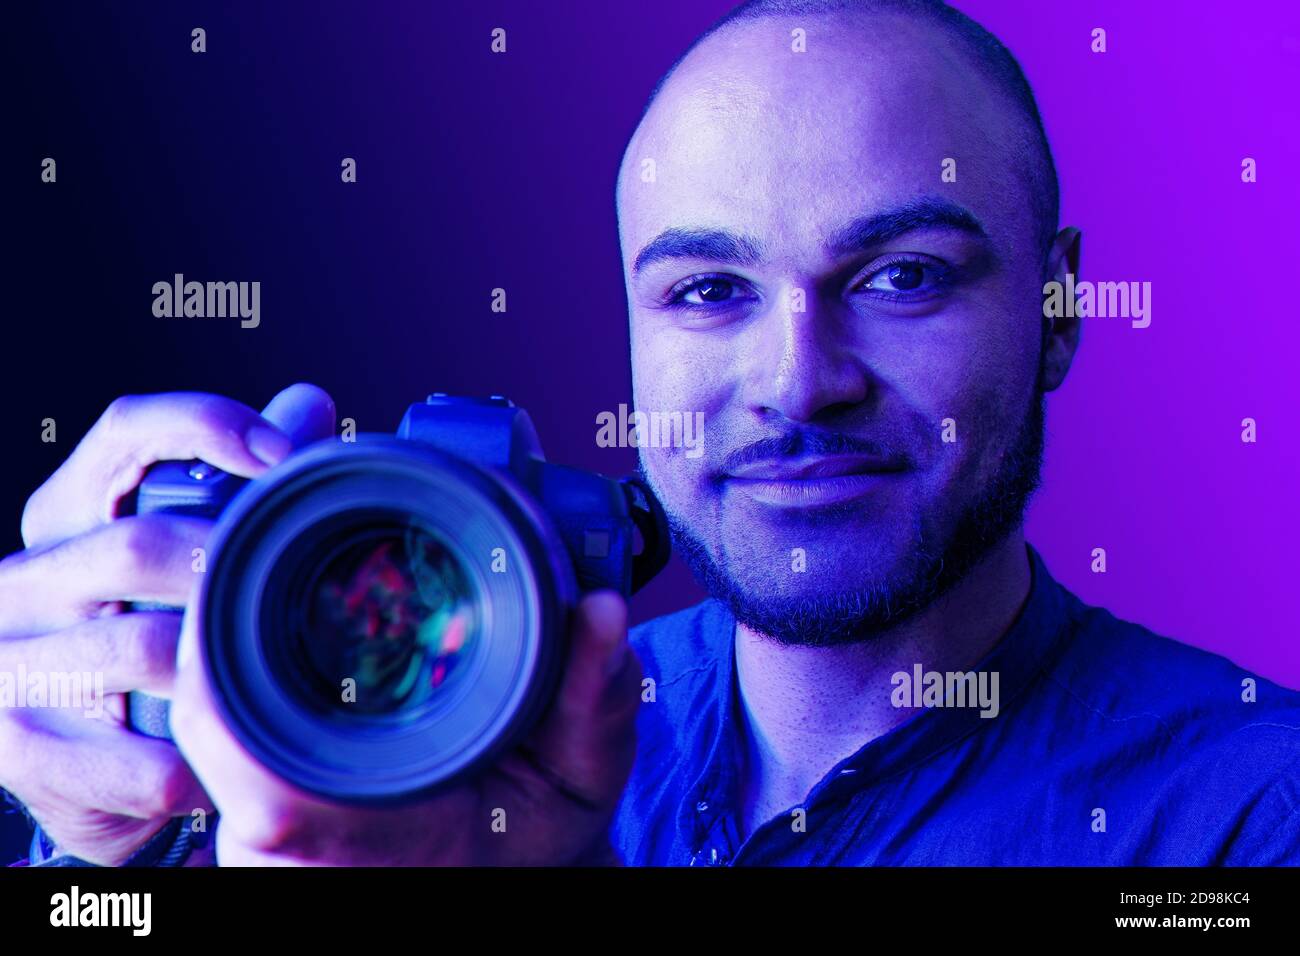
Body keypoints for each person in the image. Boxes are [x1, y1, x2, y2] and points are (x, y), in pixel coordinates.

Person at [1, 0, 1296, 866]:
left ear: (1060, 311)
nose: (800, 384)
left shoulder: (1250, 815)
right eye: (710, 293)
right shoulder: (374, 745)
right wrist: (100, 859)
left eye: (902, 277)